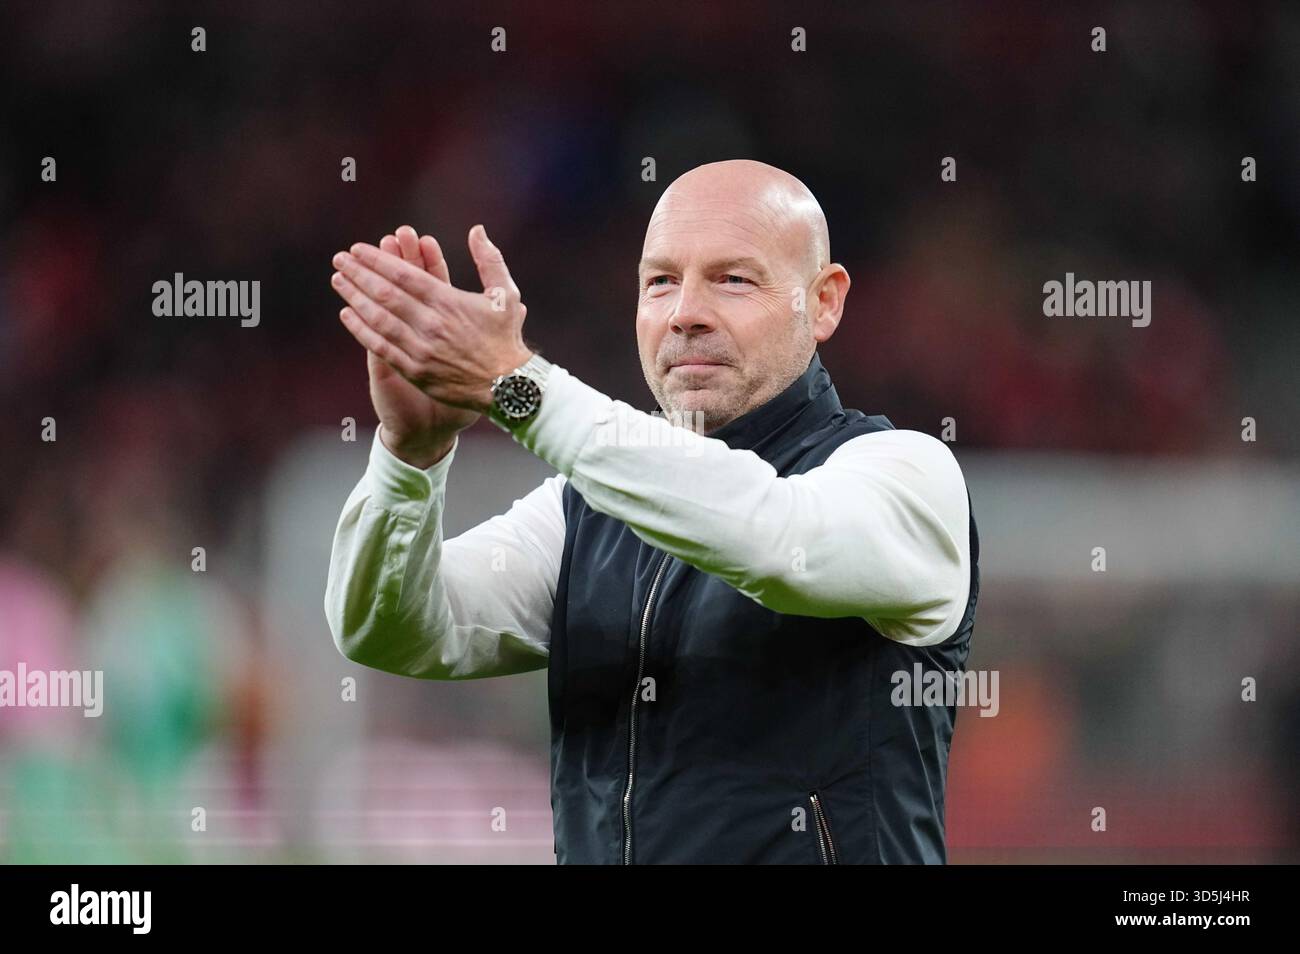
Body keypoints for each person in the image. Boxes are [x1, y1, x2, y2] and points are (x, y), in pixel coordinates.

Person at [324, 159, 979, 864]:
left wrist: (517, 385)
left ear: (823, 301)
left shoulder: (907, 476)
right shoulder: (584, 510)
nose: (685, 312)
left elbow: (772, 536)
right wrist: (408, 460)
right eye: (661, 281)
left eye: (732, 279)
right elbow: (390, 631)